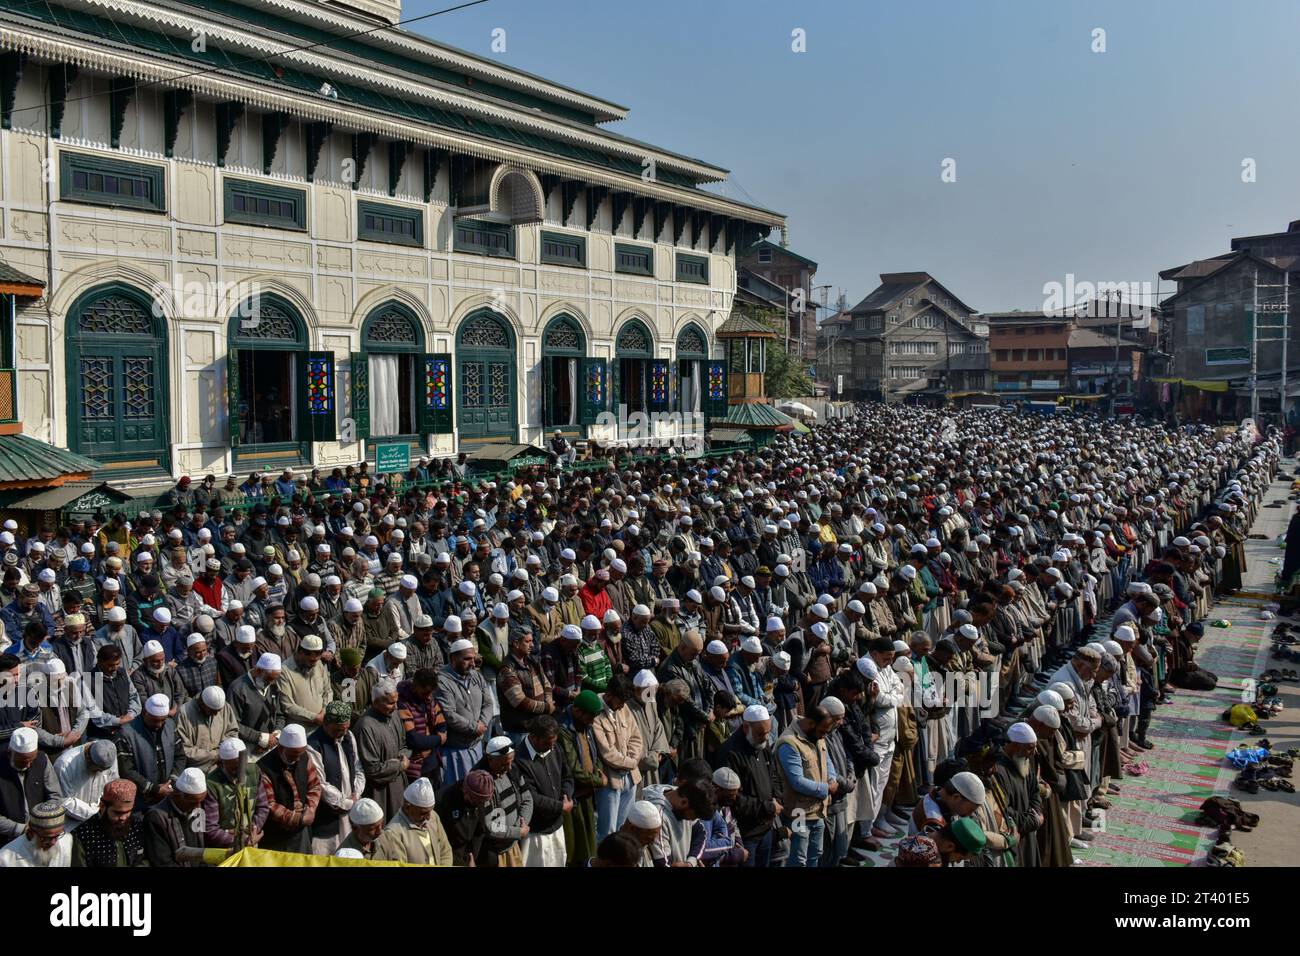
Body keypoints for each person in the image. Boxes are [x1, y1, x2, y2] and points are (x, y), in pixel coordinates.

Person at [774, 703, 837, 868]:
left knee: (815, 854)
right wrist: (826, 789)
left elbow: (827, 759)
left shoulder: (817, 736)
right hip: (798, 813)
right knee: (798, 858)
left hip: (818, 811)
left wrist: (832, 778)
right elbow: (797, 782)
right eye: (822, 731)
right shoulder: (789, 743)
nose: (824, 736)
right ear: (811, 724)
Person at [307, 700, 366, 855]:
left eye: (346, 728)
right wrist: (346, 802)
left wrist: (356, 794)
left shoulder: (348, 736)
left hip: (351, 810)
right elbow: (320, 784)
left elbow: (358, 768)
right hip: (327, 816)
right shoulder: (313, 744)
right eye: (338, 730)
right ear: (326, 724)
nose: (343, 733)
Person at [515, 714, 572, 867]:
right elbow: (531, 797)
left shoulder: (554, 748)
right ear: (533, 737)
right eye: (548, 743)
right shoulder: (518, 761)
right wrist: (560, 806)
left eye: (553, 743)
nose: (552, 747)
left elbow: (567, 776)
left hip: (557, 827)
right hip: (535, 834)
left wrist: (566, 795)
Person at [591, 673, 643, 840]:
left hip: (631, 778)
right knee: (607, 832)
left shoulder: (623, 707)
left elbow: (636, 736)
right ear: (609, 695)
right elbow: (607, 753)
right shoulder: (596, 714)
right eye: (619, 702)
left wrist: (633, 759)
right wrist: (632, 762)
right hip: (611, 782)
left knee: (623, 829)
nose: (622, 707)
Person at [256, 722, 321, 853]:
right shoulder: (264, 768)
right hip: (276, 837)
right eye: (293, 755)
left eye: (300, 754)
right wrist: (298, 819)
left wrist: (311, 809)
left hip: (302, 832)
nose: (297, 759)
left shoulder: (303, 757)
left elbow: (314, 786)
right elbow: (269, 805)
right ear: (280, 748)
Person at [472, 735, 534, 866]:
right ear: (490, 759)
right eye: (504, 764)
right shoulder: (482, 783)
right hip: (494, 853)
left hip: (513, 846)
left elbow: (527, 799)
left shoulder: (513, 770)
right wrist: (517, 832)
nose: (510, 767)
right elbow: (490, 826)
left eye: (511, 761)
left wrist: (520, 825)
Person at [353, 679, 410, 818]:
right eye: (390, 703)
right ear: (376, 702)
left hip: (398, 784)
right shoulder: (365, 726)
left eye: (396, 701)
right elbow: (372, 769)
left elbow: (403, 745)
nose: (396, 707)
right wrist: (399, 765)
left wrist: (403, 758)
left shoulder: (394, 715)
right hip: (379, 792)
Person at [115, 693, 182, 812]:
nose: (159, 725)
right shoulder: (126, 733)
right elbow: (126, 770)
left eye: (163, 720)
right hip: (141, 802)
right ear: (144, 712)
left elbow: (180, 756)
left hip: (167, 795)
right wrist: (154, 789)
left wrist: (171, 783)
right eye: (155, 720)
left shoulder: (170, 726)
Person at [203, 737, 268, 850]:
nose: (239, 772)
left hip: (251, 842)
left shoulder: (254, 772)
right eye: (233, 768)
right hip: (225, 848)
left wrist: (253, 830)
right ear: (221, 764)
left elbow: (263, 807)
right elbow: (211, 828)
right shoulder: (211, 785)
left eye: (241, 767)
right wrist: (238, 841)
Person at [373, 776, 454, 865]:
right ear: (408, 807)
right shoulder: (393, 834)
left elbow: (445, 851)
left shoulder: (433, 817)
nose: (428, 817)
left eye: (430, 811)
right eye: (423, 813)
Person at [70, 778, 148, 867]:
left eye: (128, 812)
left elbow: (143, 860)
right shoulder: (83, 835)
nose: (123, 818)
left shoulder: (136, 825)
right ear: (102, 807)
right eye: (117, 813)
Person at [639, 777, 717, 866]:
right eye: (691, 816)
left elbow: (700, 834)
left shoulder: (687, 797)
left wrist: (690, 863)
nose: (692, 820)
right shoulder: (657, 816)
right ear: (684, 802)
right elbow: (661, 863)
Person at [143, 766, 209, 866]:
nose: (198, 806)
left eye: (201, 801)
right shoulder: (156, 818)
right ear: (177, 795)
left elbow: (203, 848)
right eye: (193, 802)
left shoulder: (198, 810)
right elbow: (162, 861)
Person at [54, 738, 119, 829]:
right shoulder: (64, 765)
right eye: (98, 769)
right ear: (88, 757)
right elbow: (63, 801)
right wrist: (95, 812)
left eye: (103, 770)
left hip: (102, 819)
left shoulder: (109, 754)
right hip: (72, 824)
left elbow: (113, 782)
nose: (100, 772)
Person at [0, 798, 71, 866]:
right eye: (46, 838)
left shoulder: (67, 841)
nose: (53, 843)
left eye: (57, 836)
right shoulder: (5, 859)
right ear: (30, 833)